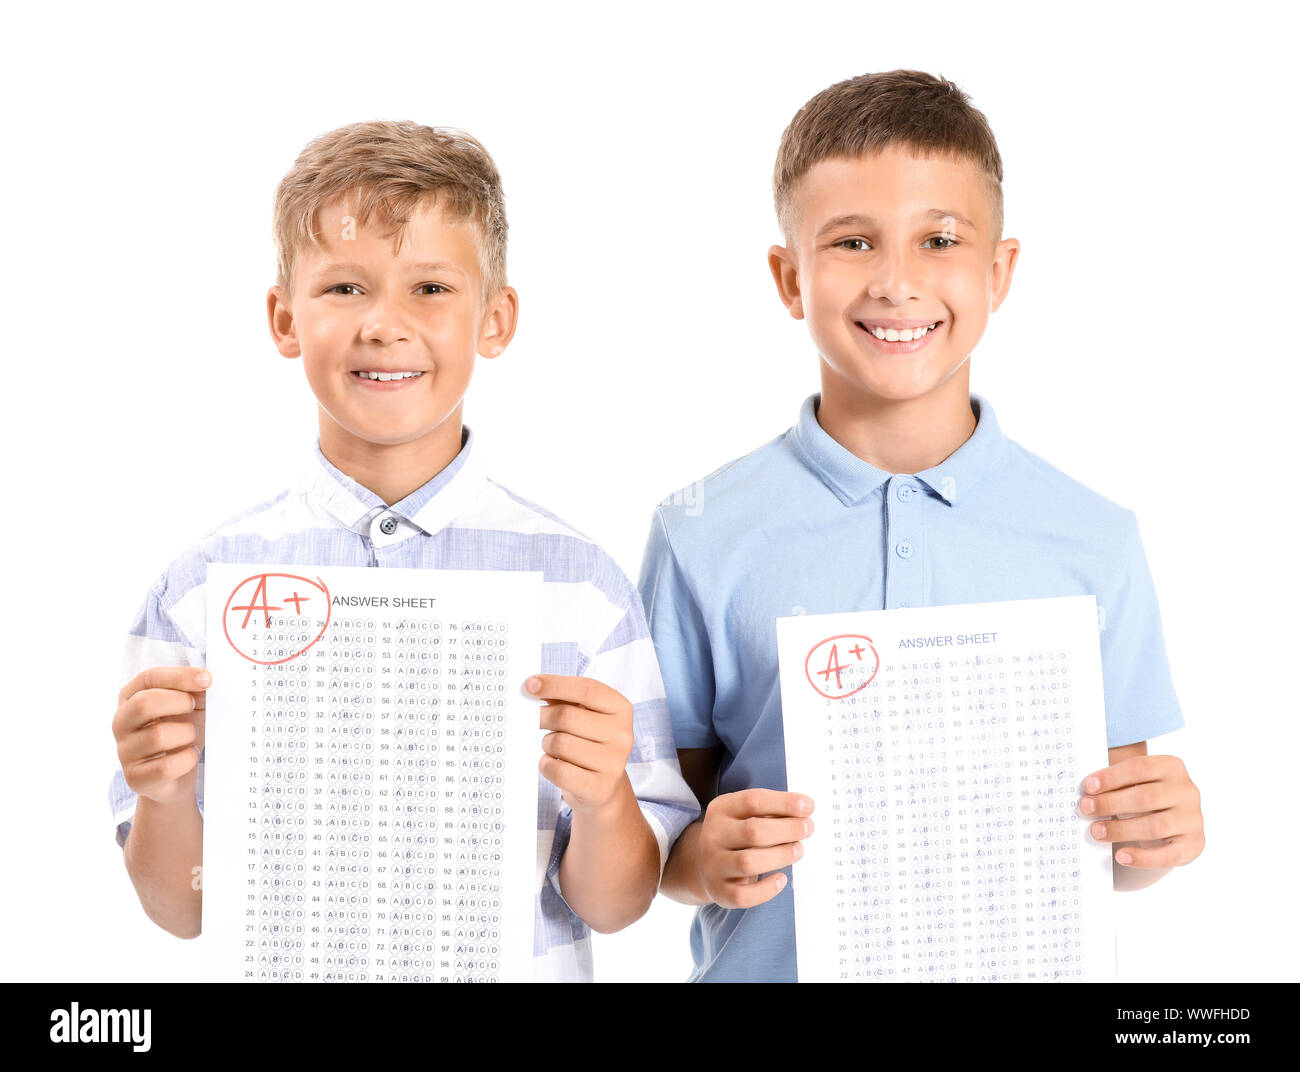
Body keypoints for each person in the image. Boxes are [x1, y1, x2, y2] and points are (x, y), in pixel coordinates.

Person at [637, 70, 1204, 982]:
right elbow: (657, 840)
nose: (897, 281)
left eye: (939, 240)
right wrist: (703, 857)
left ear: (999, 271)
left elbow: (1114, 838)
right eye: (853, 241)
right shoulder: (699, 532)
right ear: (790, 278)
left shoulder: (1094, 538)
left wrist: (1156, 837)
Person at [109, 119, 699, 982]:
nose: (385, 326)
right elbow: (181, 909)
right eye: (345, 288)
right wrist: (163, 793)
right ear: (284, 318)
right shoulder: (199, 587)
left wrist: (606, 796)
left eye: (430, 288)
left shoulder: (583, 586)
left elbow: (616, 905)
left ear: (494, 320)